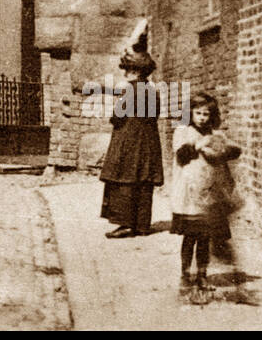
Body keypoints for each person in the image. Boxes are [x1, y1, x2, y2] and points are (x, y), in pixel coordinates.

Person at [171, 92, 242, 297]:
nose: (202, 117)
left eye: (206, 114)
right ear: (190, 113)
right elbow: (181, 155)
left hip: (209, 194)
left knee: (205, 237)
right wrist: (198, 144)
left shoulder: (212, 132)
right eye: (198, 113)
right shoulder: (183, 131)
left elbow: (228, 152)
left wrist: (226, 148)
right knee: (190, 236)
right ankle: (185, 276)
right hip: (189, 194)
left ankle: (202, 275)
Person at [99, 45, 164, 238]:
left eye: (129, 70)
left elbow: (117, 118)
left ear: (136, 72)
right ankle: (142, 225)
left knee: (124, 179)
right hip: (149, 142)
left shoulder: (132, 92)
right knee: (144, 181)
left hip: (129, 141)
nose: (126, 74)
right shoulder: (152, 92)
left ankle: (126, 224)